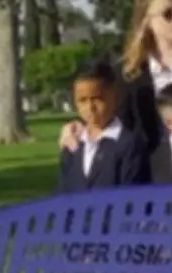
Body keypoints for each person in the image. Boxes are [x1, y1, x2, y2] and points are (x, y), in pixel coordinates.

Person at [59, 0, 172, 153]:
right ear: (147, 21)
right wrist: (75, 126)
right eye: (168, 14)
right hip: (153, 170)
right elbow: (108, 117)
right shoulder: (129, 73)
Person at [58, 58, 150, 192]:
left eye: (97, 98)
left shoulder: (128, 144)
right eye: (82, 100)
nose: (90, 107)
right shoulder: (73, 146)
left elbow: (131, 195)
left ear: (115, 96)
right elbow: (62, 194)